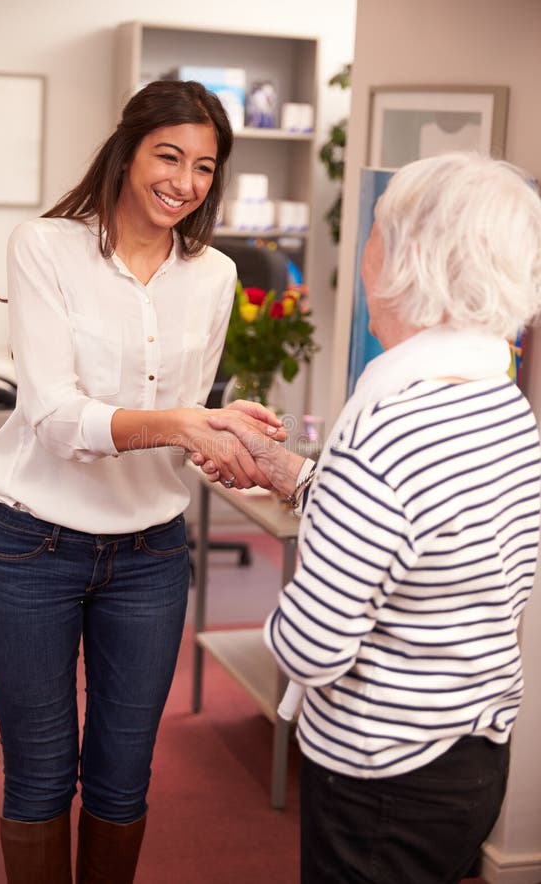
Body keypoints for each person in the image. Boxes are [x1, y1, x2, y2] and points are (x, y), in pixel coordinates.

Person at [197, 152, 541, 883]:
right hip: (468, 756)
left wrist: (273, 629)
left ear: (410, 258)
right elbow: (429, 536)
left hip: (383, 775)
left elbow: (312, 647)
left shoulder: (389, 425)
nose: (365, 249)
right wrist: (292, 473)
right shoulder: (503, 405)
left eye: (378, 231)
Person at [0, 79, 284, 884]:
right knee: (40, 777)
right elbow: (53, 416)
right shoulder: (44, 246)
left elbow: (183, 414)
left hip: (149, 553)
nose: (185, 182)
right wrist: (184, 423)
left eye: (205, 167)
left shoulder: (213, 275)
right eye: (169, 156)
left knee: (122, 779)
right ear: (128, 150)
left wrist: (220, 430)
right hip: (31, 546)